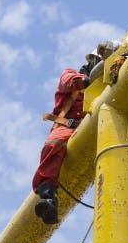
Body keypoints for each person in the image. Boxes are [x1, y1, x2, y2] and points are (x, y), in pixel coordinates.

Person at [32, 50, 100, 224]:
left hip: (92, 127)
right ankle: (48, 198)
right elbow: (68, 81)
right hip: (67, 125)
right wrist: (87, 81)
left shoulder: (104, 88)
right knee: (52, 145)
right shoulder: (71, 75)